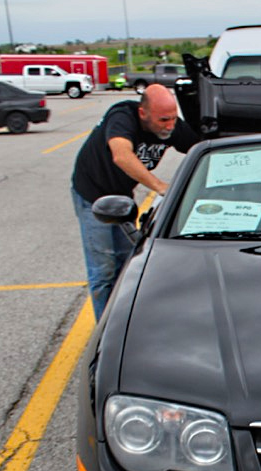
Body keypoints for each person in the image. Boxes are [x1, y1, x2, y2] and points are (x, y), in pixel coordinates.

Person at [70, 84, 199, 318]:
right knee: (104, 270)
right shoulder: (122, 116)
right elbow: (121, 155)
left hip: (122, 197)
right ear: (143, 114)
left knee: (128, 263)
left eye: (172, 118)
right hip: (93, 196)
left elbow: (201, 148)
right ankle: (106, 330)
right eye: (163, 120)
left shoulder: (171, 125)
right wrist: (161, 187)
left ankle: (127, 317)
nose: (170, 126)